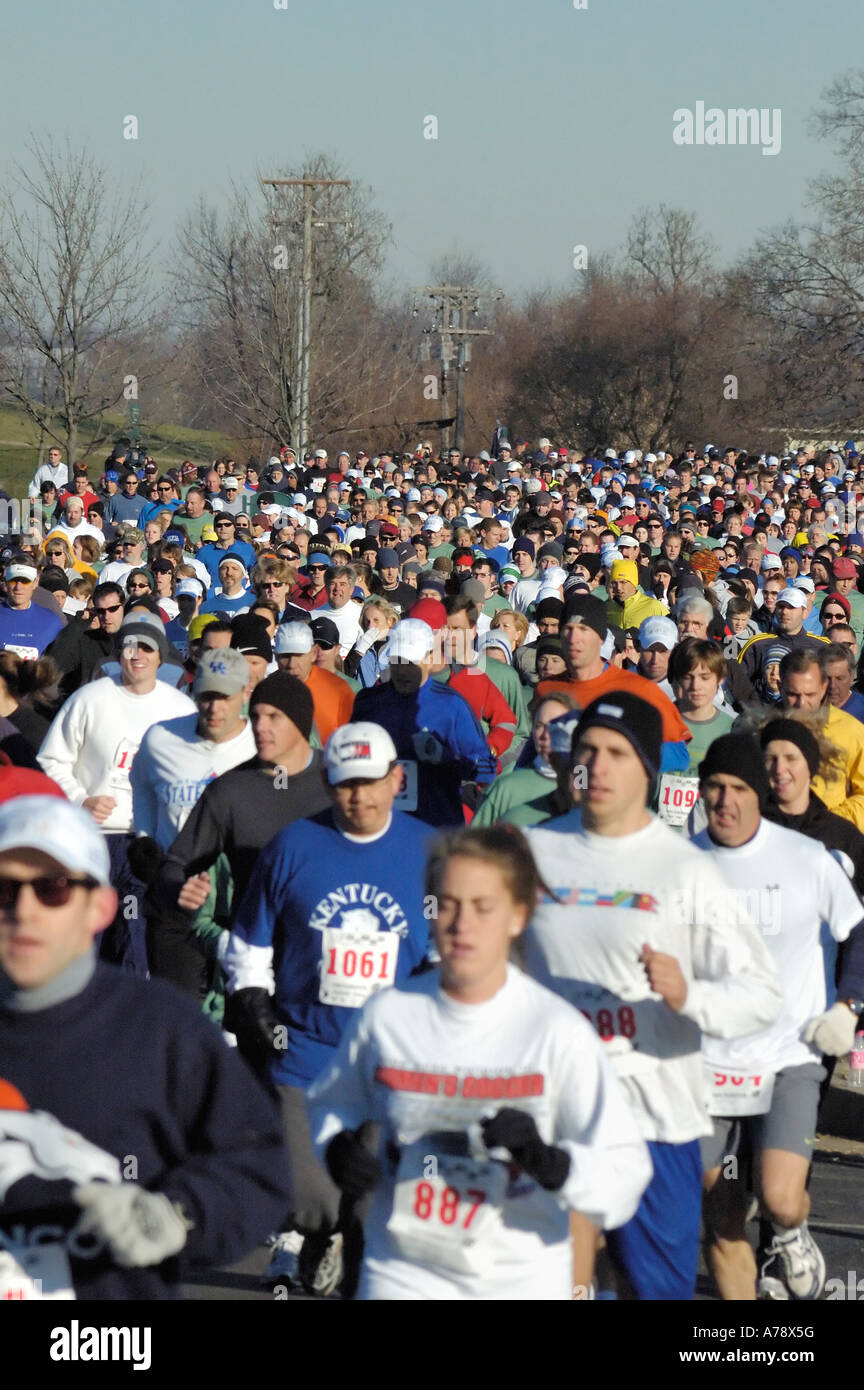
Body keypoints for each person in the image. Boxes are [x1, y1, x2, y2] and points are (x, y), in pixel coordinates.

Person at [306, 823, 652, 1301]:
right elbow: (328, 1105)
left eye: (482, 908)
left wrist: (550, 1163)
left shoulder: (557, 1031)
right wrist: (337, 1149)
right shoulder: (388, 1015)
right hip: (403, 1272)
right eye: (446, 905)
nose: (460, 924)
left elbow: (625, 1172)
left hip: (519, 1276)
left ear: (518, 915)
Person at [522, 692, 782, 1300]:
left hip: (656, 1118)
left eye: (617, 753)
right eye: (588, 750)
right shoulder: (531, 853)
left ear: (647, 768)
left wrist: (688, 995)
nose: (600, 767)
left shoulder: (682, 868)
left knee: (652, 1290)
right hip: (554, 1115)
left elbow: (760, 993)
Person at [0, 794, 291, 1299]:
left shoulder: (159, 1028)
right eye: (4, 889)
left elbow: (258, 1170)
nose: (23, 910)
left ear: (101, 906)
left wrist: (175, 1216)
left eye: (52, 889)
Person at [225, 722, 435, 1290]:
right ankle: (321, 1231)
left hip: (391, 1057)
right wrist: (254, 1003)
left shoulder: (430, 851)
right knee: (310, 1196)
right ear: (326, 781)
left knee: (371, 1206)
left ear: (397, 779)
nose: (358, 797)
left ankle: (355, 1264)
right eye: (344, 785)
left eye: (370, 783)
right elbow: (248, 942)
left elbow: (448, 951)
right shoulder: (294, 846)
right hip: (306, 1051)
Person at [693, 734, 864, 1301]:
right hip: (708, 1064)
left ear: (757, 793)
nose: (724, 800)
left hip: (790, 1055)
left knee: (780, 1196)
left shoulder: (806, 859)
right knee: (721, 1216)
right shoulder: (681, 865)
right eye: (714, 787)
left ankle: (792, 1232)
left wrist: (849, 1006)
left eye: (738, 788)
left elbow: (859, 930)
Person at [149, 673, 334, 993]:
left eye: (274, 717)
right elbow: (176, 864)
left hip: (328, 957)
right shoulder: (232, 790)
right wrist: (182, 888)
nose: (260, 726)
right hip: (256, 965)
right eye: (256, 716)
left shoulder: (338, 782)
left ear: (300, 722)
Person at [38, 612, 195, 975]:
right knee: (83, 940)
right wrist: (81, 798)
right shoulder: (89, 700)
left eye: (146, 647)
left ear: (160, 656)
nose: (135, 654)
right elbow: (50, 760)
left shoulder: (180, 710)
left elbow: (197, 775)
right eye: (127, 645)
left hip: (147, 843)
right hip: (92, 841)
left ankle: (126, 1022)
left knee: (133, 938)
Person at [353, 618, 497, 826]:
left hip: (434, 827)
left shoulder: (451, 705)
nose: (402, 670)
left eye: (411, 662)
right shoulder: (368, 702)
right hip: (378, 826)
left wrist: (444, 756)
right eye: (397, 660)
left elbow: (488, 770)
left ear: (430, 657)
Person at [274, 621, 354, 745]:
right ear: (276, 657)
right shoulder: (265, 693)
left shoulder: (341, 692)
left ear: (313, 654)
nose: (292, 664)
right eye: (285, 656)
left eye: (299, 655)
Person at [0, 556, 64, 657]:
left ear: (35, 583)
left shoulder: (51, 621)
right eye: (13, 580)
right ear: (5, 583)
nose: (18, 587)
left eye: (25, 581)